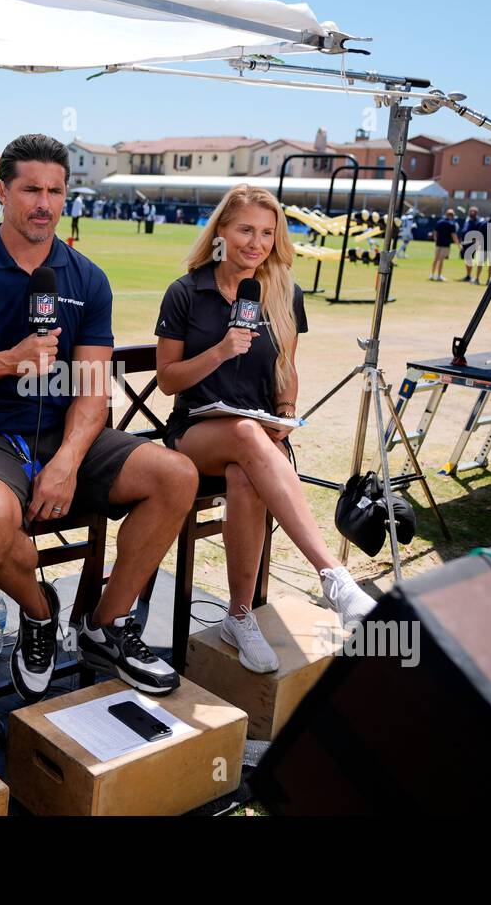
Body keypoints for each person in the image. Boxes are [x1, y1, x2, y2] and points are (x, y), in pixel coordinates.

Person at [0, 133, 199, 702]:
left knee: (176, 475)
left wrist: (66, 461)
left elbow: (93, 388)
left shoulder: (87, 278)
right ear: (1, 192)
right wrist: (6, 361)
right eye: (31, 190)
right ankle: (39, 612)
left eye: (55, 192)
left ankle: (104, 626)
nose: (44, 204)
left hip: (64, 437)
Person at [154, 185, 376, 672]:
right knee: (244, 437)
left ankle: (239, 616)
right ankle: (334, 578)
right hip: (195, 431)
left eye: (267, 233)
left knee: (245, 474)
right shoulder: (186, 292)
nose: (256, 243)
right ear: (221, 231)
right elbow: (167, 380)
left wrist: (286, 414)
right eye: (245, 230)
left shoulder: (283, 293)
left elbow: (286, 369)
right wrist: (220, 351)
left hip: (257, 438)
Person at [429, 208, 459, 282]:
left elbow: (435, 232)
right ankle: (439, 276)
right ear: (452, 215)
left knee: (436, 259)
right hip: (445, 245)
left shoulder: (439, 222)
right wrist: (458, 244)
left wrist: (436, 240)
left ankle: (432, 275)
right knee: (441, 260)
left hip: (438, 244)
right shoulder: (451, 224)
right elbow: (454, 235)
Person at [458, 206, 484, 283]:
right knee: (467, 259)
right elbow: (464, 230)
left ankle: (470, 276)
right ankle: (468, 275)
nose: (472, 213)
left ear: (476, 213)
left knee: (470, 259)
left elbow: (479, 233)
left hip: (472, 243)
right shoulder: (468, 220)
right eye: (471, 211)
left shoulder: (479, 221)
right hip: (465, 243)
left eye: (474, 212)